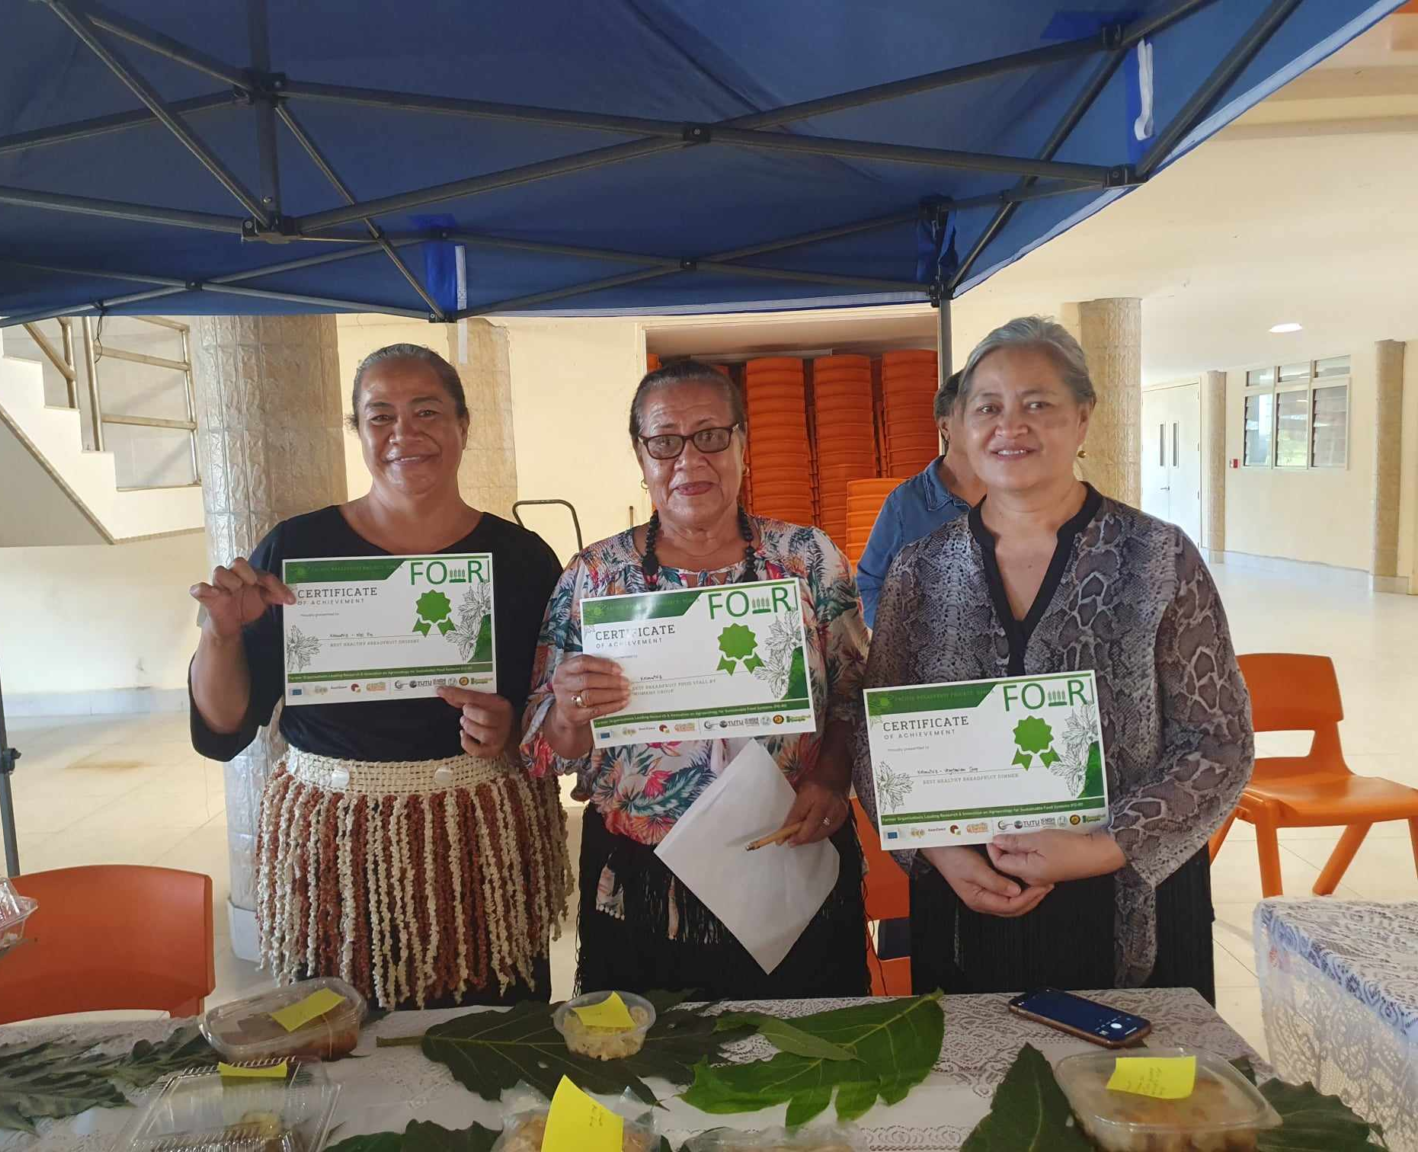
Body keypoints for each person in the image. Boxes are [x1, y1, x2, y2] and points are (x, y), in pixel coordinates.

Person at [853, 317, 1253, 1002]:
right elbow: (874, 736)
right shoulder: (918, 570)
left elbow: (1218, 743)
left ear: (1083, 418)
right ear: (958, 424)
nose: (1011, 425)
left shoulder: (1157, 558)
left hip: (1127, 894)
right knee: (977, 1095)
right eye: (989, 407)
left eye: (1038, 404)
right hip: (968, 894)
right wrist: (937, 850)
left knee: (1136, 1095)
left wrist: (1105, 846)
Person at [189, 344, 572, 1010]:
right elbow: (223, 729)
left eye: (427, 411)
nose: (405, 433)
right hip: (333, 857)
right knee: (345, 1046)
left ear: (462, 425)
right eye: (380, 416)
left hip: (475, 854)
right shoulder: (297, 549)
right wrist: (221, 634)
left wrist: (512, 727)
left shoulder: (522, 558)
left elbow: (557, 721)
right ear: (359, 432)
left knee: (492, 1045)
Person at [521, 360, 870, 999]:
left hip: (789, 851)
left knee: (808, 1061)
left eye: (711, 435)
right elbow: (547, 748)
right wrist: (571, 712)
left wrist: (829, 776)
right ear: (641, 455)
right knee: (650, 1072)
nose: (689, 460)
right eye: (665, 442)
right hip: (645, 883)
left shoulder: (807, 558)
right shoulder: (595, 576)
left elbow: (855, 694)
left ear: (743, 442)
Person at [855, 370, 985, 628]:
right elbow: (867, 588)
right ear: (945, 425)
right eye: (976, 413)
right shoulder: (905, 504)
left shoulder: (1020, 494)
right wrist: (907, 639)